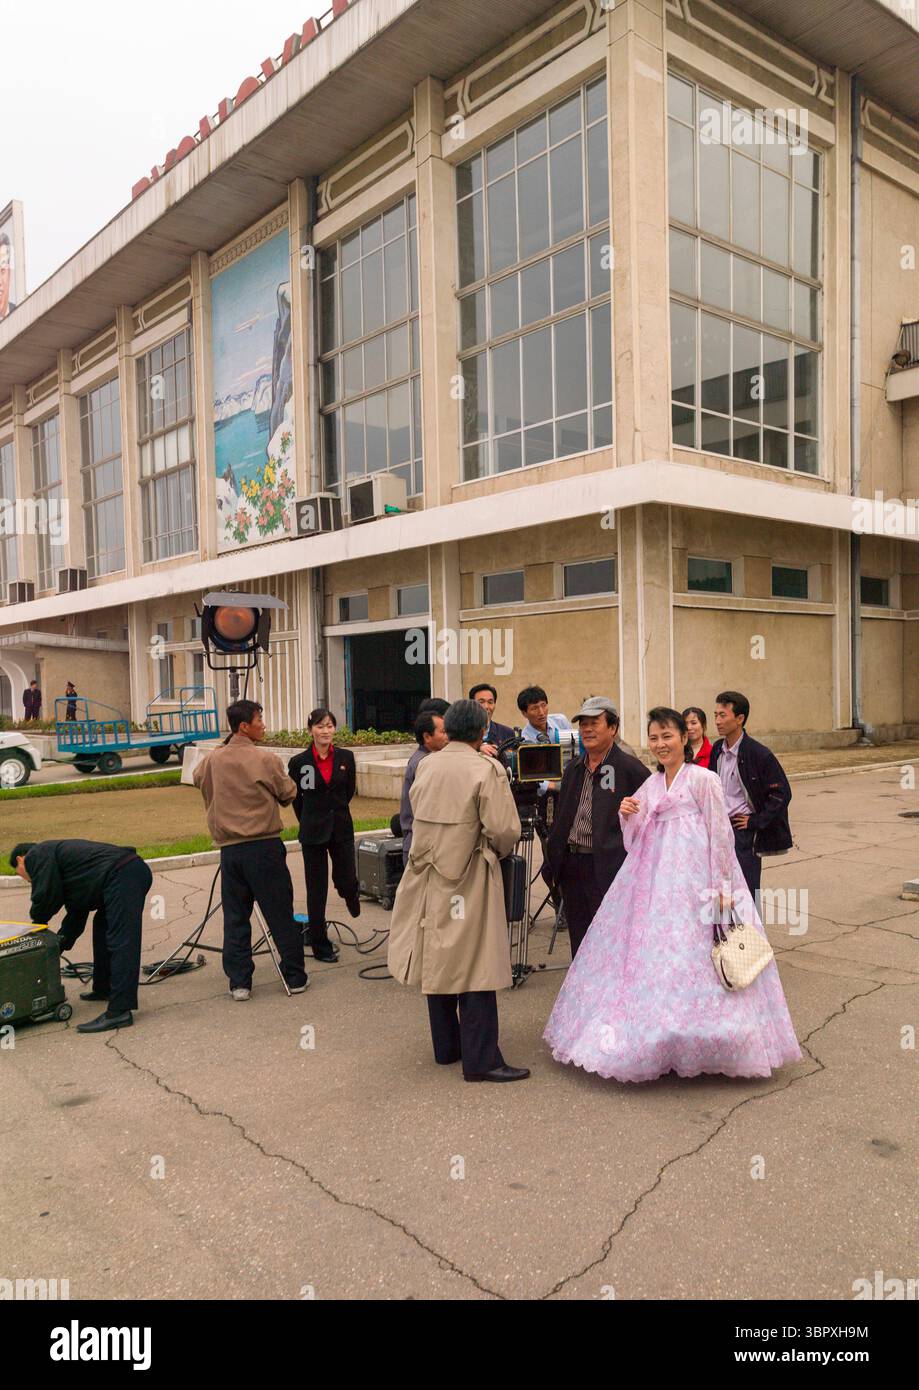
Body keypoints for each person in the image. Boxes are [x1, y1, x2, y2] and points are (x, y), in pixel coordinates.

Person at [543, 707, 801, 1082]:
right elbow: (636, 840)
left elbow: (720, 836)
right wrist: (628, 813)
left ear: (684, 738)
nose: (661, 744)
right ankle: (659, 1037)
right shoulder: (651, 785)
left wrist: (724, 888)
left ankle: (714, 1039)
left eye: (668, 736)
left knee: (704, 958)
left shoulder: (703, 780)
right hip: (654, 885)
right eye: (654, 738)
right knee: (659, 958)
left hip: (698, 883)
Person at [388, 699, 528, 1084]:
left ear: (449, 729)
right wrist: (494, 852)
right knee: (477, 964)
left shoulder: (426, 764)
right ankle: (482, 1059)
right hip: (470, 872)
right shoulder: (487, 769)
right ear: (482, 730)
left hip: (428, 871)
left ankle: (447, 1047)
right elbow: (505, 829)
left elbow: (414, 815)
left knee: (440, 954)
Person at [193, 699, 307, 1000]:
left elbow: (198, 781)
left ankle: (239, 982)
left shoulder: (211, 759)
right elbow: (288, 793)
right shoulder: (265, 759)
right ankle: (295, 976)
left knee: (235, 918)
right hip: (264, 847)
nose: (264, 724)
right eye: (260, 719)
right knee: (280, 913)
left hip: (230, 852)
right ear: (244, 726)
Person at [542, 697, 651, 958]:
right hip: (572, 865)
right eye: (583, 724)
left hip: (607, 867)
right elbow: (561, 819)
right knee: (580, 941)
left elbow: (647, 819)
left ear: (612, 728)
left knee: (610, 940)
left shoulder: (628, 768)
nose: (587, 730)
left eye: (595, 723)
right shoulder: (574, 768)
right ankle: (582, 994)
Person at [10, 839, 153, 1034]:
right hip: (121, 874)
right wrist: (58, 945)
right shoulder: (72, 870)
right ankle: (104, 989)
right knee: (102, 930)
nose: (28, 880)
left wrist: (36, 924)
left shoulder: (36, 854)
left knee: (121, 941)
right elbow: (77, 912)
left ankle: (120, 1011)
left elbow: (45, 895)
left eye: (21, 875)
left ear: (20, 859)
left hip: (124, 874)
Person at [287, 709, 361, 963]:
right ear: (310, 730)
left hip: (341, 828)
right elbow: (297, 799)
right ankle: (320, 944)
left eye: (329, 726)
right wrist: (309, 819)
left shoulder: (346, 757)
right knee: (315, 891)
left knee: (347, 878)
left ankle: (351, 894)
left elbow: (349, 791)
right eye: (320, 726)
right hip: (313, 832)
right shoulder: (299, 762)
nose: (325, 731)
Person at [710, 690, 792, 906]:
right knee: (720, 890)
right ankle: (723, 938)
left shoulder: (758, 754)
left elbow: (781, 793)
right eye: (715, 715)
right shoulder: (717, 749)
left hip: (742, 833)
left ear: (740, 719)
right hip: (719, 830)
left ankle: (751, 936)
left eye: (723, 715)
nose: (717, 721)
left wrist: (755, 821)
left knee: (745, 890)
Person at [399, 703, 449, 866]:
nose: (447, 736)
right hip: (420, 846)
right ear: (427, 737)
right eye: (442, 732)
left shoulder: (430, 759)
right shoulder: (423, 763)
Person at [469, 683, 514, 759]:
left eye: (490, 702)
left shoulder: (507, 733)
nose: (486, 707)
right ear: (471, 704)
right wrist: (478, 748)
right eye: (481, 702)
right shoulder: (462, 733)